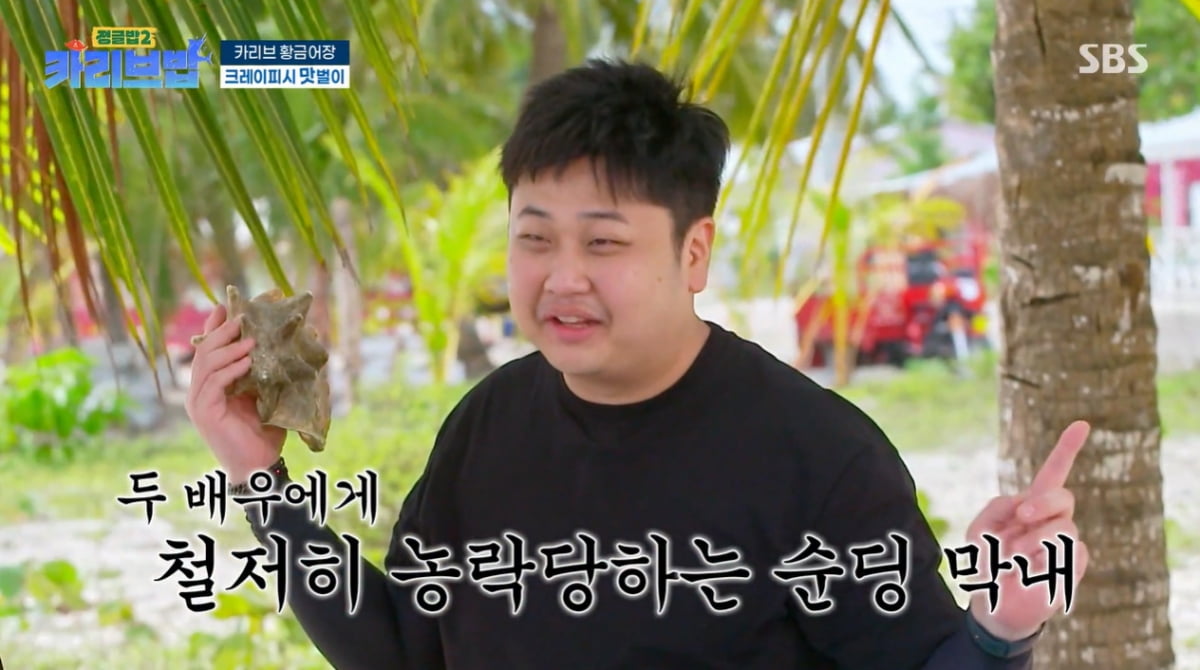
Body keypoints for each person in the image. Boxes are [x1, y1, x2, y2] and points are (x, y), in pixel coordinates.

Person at [185, 58, 1089, 669]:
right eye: (535, 237)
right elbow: (400, 650)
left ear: (694, 252)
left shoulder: (819, 457)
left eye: (604, 242)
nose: (562, 278)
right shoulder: (487, 423)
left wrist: (1001, 628)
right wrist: (259, 476)